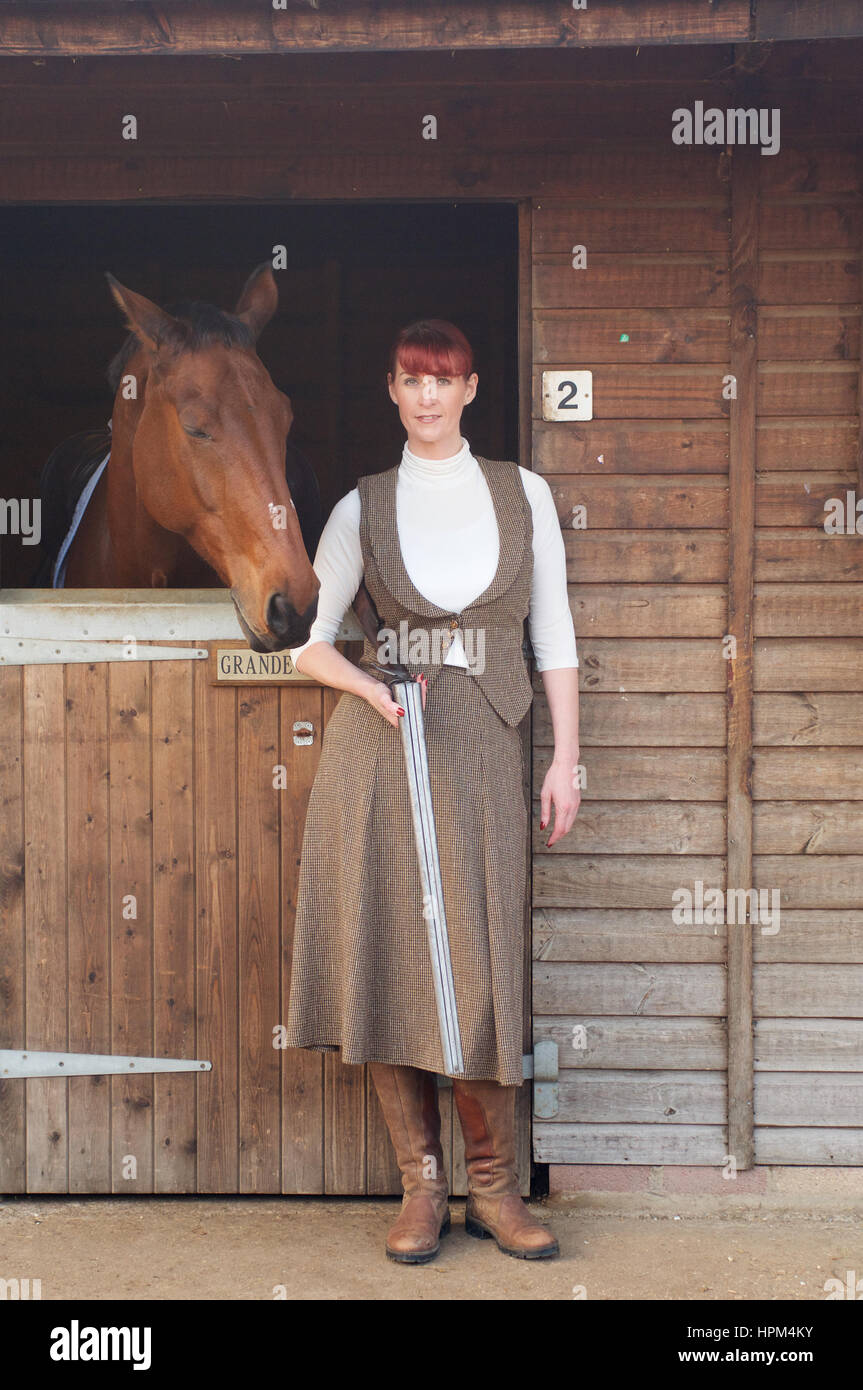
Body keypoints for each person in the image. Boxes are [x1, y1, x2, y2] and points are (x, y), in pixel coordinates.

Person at [285, 319, 580, 1263]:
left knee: (479, 965)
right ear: (391, 390)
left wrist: (563, 757)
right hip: (386, 751)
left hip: (487, 745)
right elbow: (306, 639)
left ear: (471, 389)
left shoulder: (521, 493)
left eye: (442, 381)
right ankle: (422, 1188)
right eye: (410, 380)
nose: (426, 396)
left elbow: (555, 637)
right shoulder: (359, 507)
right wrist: (369, 687)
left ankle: (493, 1191)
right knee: (393, 958)